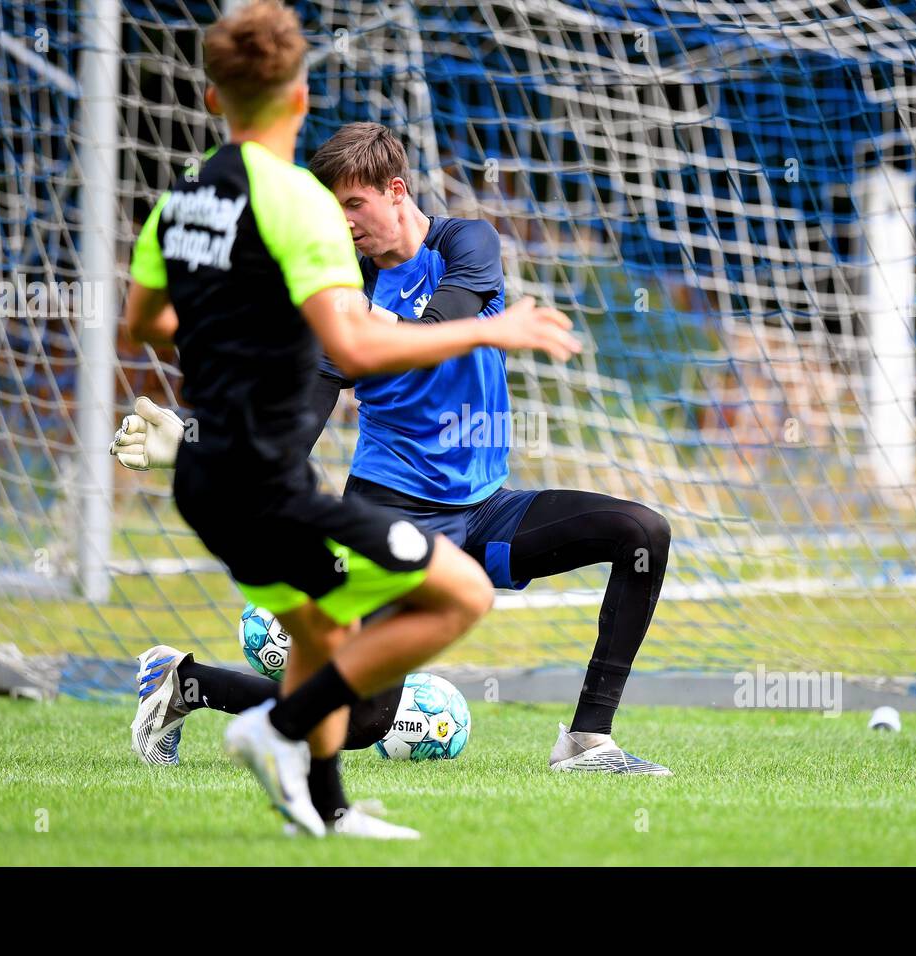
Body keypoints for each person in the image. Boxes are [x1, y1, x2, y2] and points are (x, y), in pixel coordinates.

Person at [123, 0, 580, 840]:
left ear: (214, 97)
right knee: (460, 593)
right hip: (273, 485)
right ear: (298, 96)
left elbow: (144, 325)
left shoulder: (183, 202)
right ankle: (275, 732)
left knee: (323, 636)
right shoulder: (300, 207)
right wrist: (495, 326)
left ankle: (319, 806)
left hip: (210, 472)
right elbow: (357, 352)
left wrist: (212, 394)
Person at [121, 121, 674, 781]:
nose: (345, 224)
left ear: (396, 191)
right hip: (391, 520)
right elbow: (296, 419)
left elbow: (443, 323)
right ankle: (185, 684)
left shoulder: (463, 242)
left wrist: (361, 325)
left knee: (642, 531)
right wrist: (192, 439)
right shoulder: (341, 297)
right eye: (332, 213)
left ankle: (587, 741)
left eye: (354, 205)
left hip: (483, 510)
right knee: (357, 723)